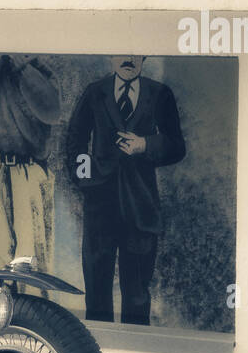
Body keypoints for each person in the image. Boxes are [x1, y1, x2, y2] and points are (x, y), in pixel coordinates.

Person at [64, 56, 186, 325]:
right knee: (97, 290)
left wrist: (145, 144)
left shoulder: (159, 94)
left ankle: (138, 350)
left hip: (141, 206)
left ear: (143, 57)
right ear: (110, 56)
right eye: (121, 52)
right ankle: (99, 349)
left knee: (137, 293)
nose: (128, 59)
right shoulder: (95, 92)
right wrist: (86, 180)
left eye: (134, 53)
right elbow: (76, 141)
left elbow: (177, 146)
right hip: (100, 208)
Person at [0, 53, 62, 274]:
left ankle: (31, 308)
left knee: (31, 262)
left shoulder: (41, 66)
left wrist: (21, 64)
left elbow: (51, 112)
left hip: (29, 171)